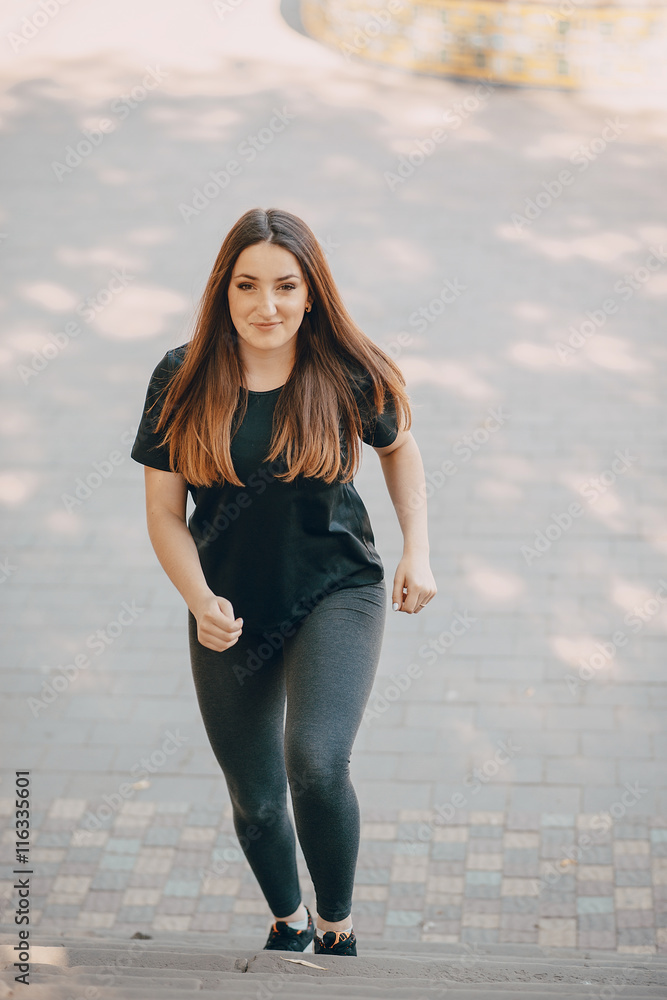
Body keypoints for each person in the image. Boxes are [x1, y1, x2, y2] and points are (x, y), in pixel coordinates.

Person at [130, 207, 437, 956]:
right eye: (247, 285)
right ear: (223, 290)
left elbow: (399, 447)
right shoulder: (181, 375)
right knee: (257, 800)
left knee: (317, 763)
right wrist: (199, 599)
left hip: (337, 590)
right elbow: (165, 514)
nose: (265, 305)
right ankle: (288, 922)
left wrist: (417, 551)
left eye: (285, 286)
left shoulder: (343, 368)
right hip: (228, 604)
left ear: (310, 292)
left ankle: (335, 929)